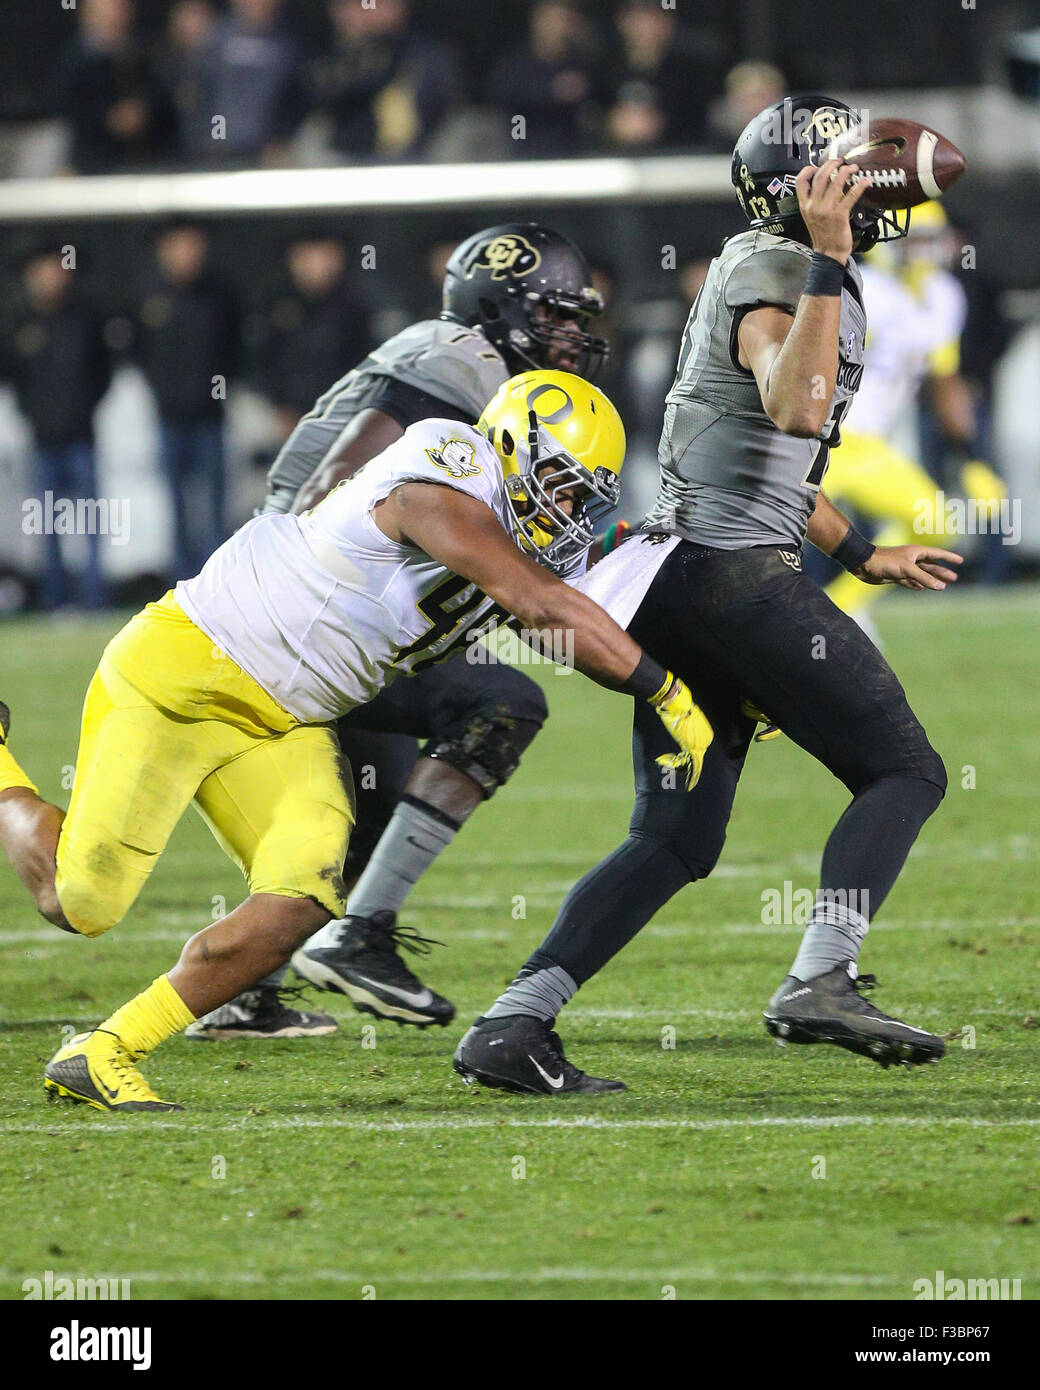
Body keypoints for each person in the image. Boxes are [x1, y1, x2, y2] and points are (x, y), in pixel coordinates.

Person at [0, 370, 712, 1112]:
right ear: (509, 447)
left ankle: (105, 1049)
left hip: (286, 720)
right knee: (76, 900)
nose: (568, 514)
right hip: (186, 671)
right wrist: (662, 691)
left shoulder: (526, 543)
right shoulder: (446, 464)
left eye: (582, 499)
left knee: (302, 897)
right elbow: (536, 602)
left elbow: (573, 623)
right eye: (561, 487)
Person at [455, 94, 963, 1096]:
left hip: (683, 579)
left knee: (675, 837)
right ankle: (818, 976)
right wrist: (821, 253)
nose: (863, 182)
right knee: (903, 769)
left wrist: (858, 553)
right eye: (842, 168)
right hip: (728, 580)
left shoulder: (784, 269)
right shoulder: (781, 268)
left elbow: (763, 462)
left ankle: (514, 1023)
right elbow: (794, 403)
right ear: (797, 191)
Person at [188, 222, 612, 1040]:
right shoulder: (460, 365)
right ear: (499, 308)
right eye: (555, 314)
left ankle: (245, 993)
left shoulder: (481, 374)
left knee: (367, 812)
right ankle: (360, 934)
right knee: (501, 702)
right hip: (302, 618)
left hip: (317, 615)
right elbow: (332, 487)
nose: (572, 333)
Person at [821, 200, 1009, 624]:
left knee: (937, 524)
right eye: (915, 241)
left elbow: (944, 381)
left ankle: (842, 609)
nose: (924, 251)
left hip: (867, 446)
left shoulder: (944, 296)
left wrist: (971, 459)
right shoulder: (866, 288)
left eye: (931, 241)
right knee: (774, 531)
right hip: (819, 436)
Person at [5, 246, 111, 611]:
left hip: (81, 434)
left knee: (92, 522)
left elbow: (102, 373)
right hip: (42, 438)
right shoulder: (19, 322)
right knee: (45, 523)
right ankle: (56, 600)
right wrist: (33, 413)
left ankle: (95, 599)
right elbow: (16, 379)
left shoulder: (83, 318)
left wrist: (83, 408)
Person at [136, 222, 239, 582]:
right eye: (178, 245)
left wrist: (220, 391)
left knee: (213, 504)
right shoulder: (149, 295)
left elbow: (234, 350)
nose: (186, 253)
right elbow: (142, 353)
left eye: (192, 244)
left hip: (210, 415)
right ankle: (181, 582)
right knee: (176, 505)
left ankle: (215, 582)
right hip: (169, 415)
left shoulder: (220, 294)